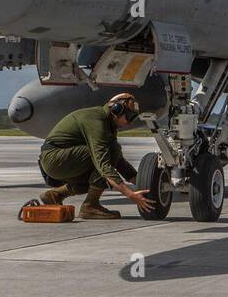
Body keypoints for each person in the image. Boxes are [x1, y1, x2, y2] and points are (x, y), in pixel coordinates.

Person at [21, 93, 154, 220]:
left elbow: (119, 162)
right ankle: (90, 206)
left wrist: (147, 183)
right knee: (106, 160)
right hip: (54, 159)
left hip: (60, 160)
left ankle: (55, 195)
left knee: (97, 176)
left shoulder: (108, 125)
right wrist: (130, 194)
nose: (130, 122)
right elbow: (104, 164)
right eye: (129, 116)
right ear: (116, 109)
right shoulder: (97, 121)